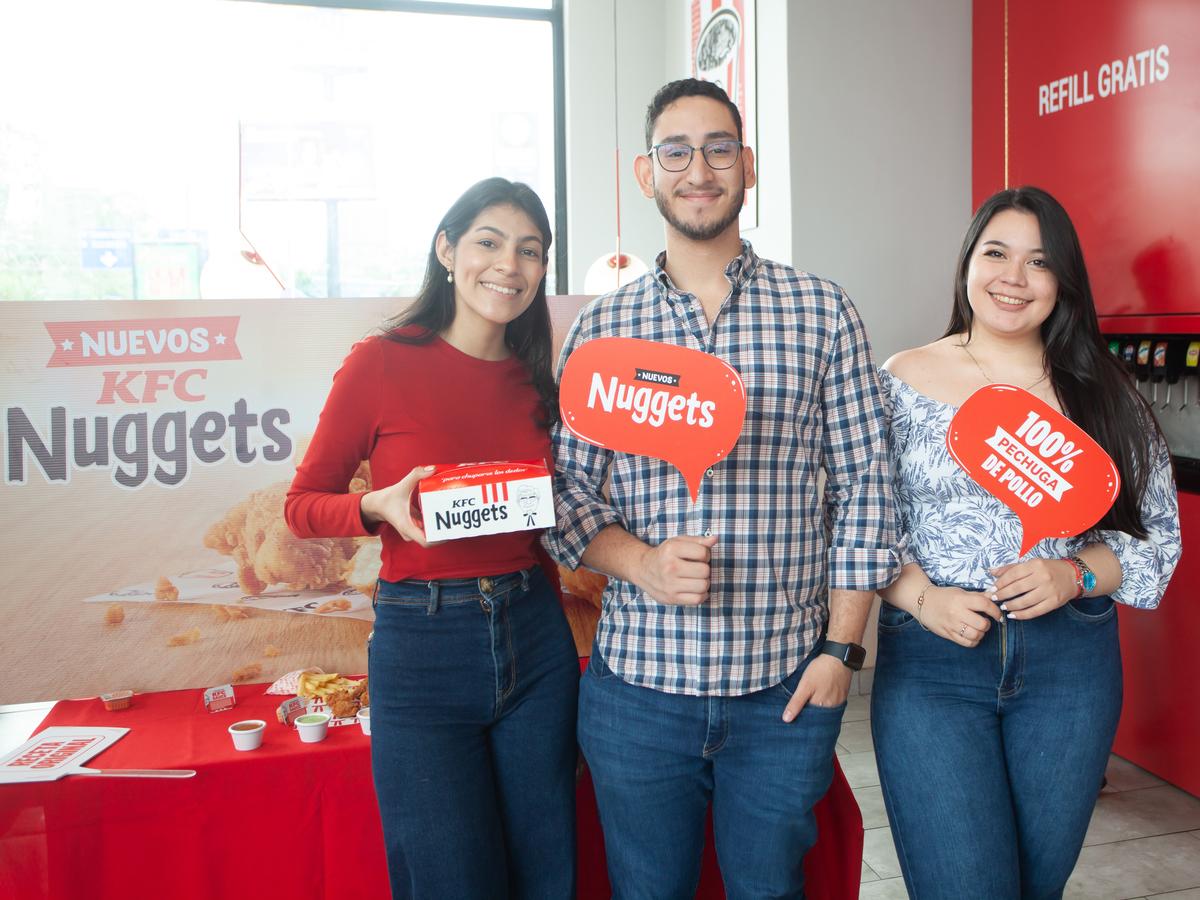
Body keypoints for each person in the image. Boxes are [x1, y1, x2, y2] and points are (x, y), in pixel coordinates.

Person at [549, 78, 900, 898]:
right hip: (637, 693)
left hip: (783, 688)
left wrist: (843, 650)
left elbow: (866, 487)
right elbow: (565, 492)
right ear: (647, 173)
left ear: (746, 165)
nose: (697, 169)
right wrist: (638, 562)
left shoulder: (821, 311)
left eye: (717, 149)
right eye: (676, 151)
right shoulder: (604, 329)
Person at [871, 185, 1181, 899]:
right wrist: (922, 599)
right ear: (967, 265)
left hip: (1070, 669)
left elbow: (1157, 542)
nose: (1013, 278)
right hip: (935, 665)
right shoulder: (902, 380)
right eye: (996, 253)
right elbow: (851, 524)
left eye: (1039, 263)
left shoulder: (1104, 393)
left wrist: (1073, 574)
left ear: (1063, 282)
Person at [284, 177, 579, 900]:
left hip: (535, 637)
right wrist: (374, 508)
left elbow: (550, 519)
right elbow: (301, 505)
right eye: (489, 241)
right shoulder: (380, 363)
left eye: (530, 251)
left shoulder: (542, 380)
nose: (509, 265)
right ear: (447, 249)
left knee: (547, 872)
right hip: (423, 644)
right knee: (450, 876)